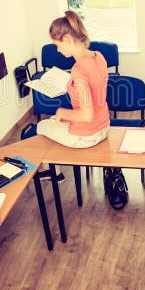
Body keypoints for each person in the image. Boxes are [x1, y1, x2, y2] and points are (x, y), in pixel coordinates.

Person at [36, 11, 111, 185]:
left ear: (68, 40)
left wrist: (62, 112)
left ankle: (53, 172)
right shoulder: (98, 56)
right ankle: (54, 170)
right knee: (56, 120)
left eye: (57, 44)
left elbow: (86, 115)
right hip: (104, 126)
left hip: (87, 136)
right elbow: (93, 86)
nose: (57, 49)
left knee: (42, 125)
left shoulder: (79, 70)